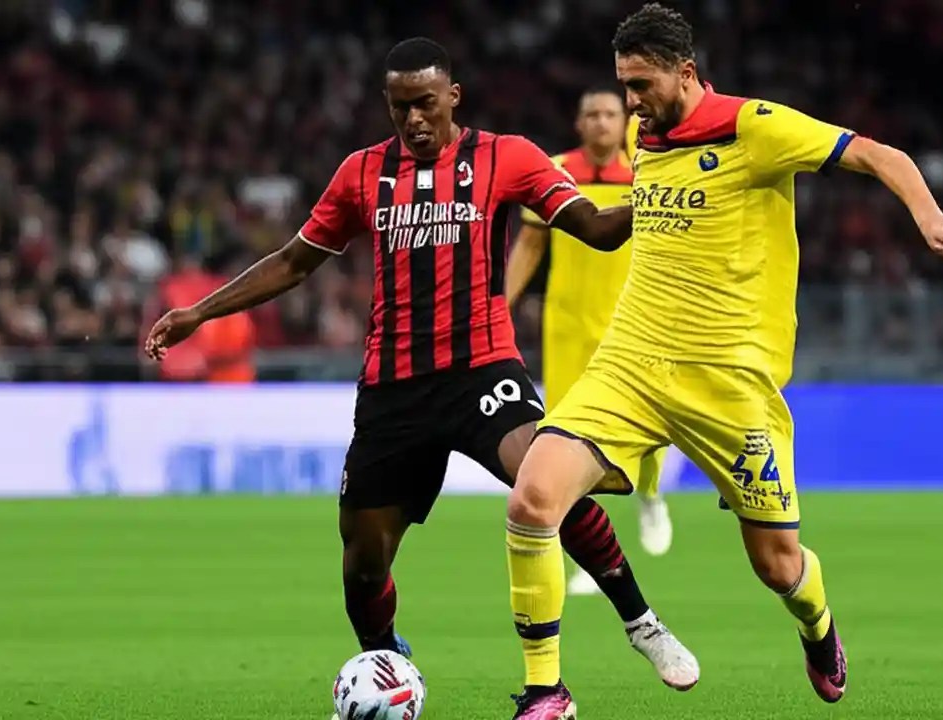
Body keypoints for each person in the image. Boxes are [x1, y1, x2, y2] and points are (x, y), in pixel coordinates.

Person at [144, 37, 699, 699]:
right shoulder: (360, 173)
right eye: (400, 107)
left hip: (481, 370)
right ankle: (387, 668)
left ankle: (641, 621)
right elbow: (294, 261)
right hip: (393, 389)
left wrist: (664, 198)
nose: (413, 120)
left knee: (547, 481)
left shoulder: (508, 157)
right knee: (362, 563)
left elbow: (596, 228)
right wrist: (197, 313)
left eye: (426, 105)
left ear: (453, 98)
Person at [502, 5, 943, 718]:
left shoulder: (754, 127)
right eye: (623, 86)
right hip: (631, 363)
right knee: (533, 498)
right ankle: (546, 692)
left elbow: (880, 155)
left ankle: (818, 628)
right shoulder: (646, 134)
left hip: (729, 384)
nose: (631, 104)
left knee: (778, 566)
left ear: (686, 73)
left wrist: (931, 217)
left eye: (641, 85)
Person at [505, 89, 672, 600]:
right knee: (563, 442)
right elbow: (530, 245)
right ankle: (582, 559)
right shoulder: (555, 171)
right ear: (578, 125)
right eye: (592, 114)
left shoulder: (647, 173)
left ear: (624, 122)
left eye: (610, 114)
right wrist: (499, 307)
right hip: (568, 325)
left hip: (633, 321)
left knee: (652, 423)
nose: (601, 122)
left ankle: (649, 494)